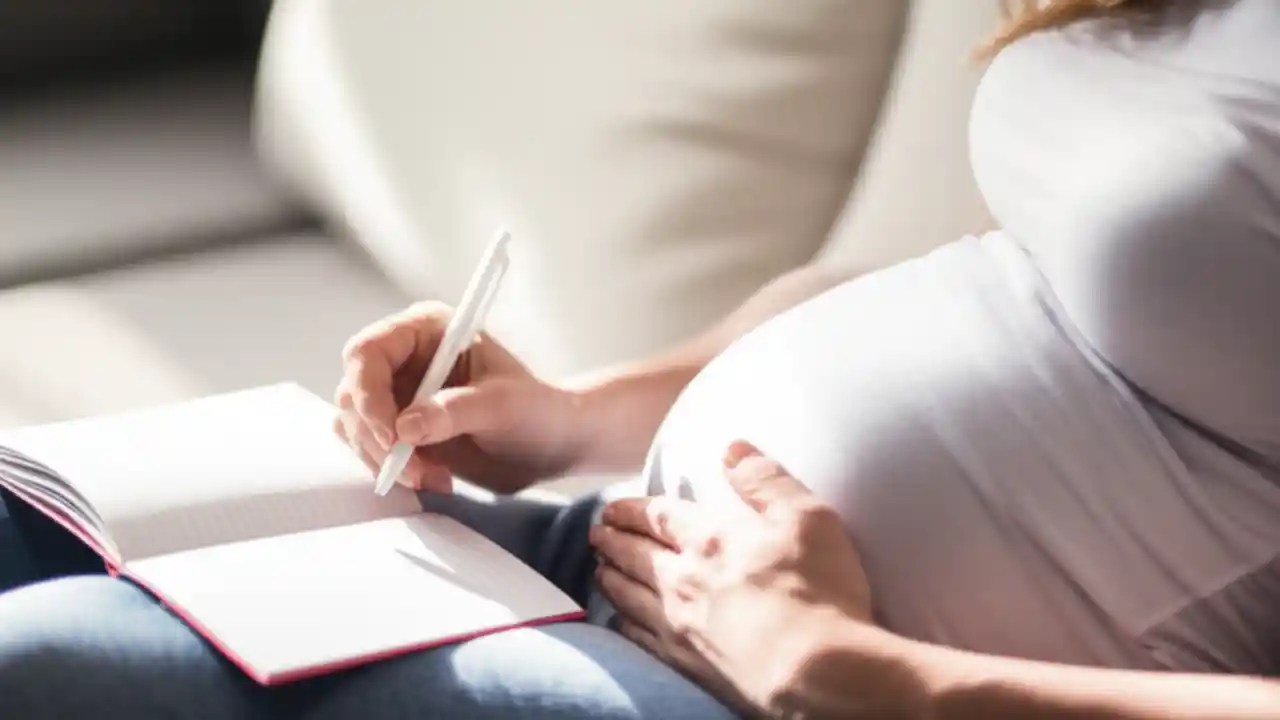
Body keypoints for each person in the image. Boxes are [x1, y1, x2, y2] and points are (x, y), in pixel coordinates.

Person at [2, 0, 1278, 717]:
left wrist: (864, 674)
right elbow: (1002, 278)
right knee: (20, 522)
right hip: (632, 561)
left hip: (807, 694)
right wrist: (565, 417)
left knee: (41, 669)